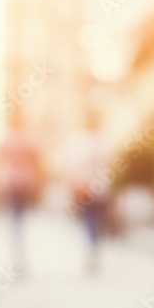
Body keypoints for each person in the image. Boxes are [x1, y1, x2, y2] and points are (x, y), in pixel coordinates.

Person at [65, 114, 111, 273]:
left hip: (84, 185)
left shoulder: (78, 140)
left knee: (87, 220)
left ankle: (91, 250)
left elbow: (72, 165)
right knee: (95, 220)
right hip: (98, 187)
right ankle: (94, 249)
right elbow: (107, 163)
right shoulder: (101, 141)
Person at [0, 121, 43, 272]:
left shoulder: (8, 139)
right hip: (25, 181)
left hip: (11, 181)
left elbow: (0, 159)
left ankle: (16, 253)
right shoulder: (29, 140)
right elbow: (36, 161)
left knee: (14, 218)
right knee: (21, 218)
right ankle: (20, 252)